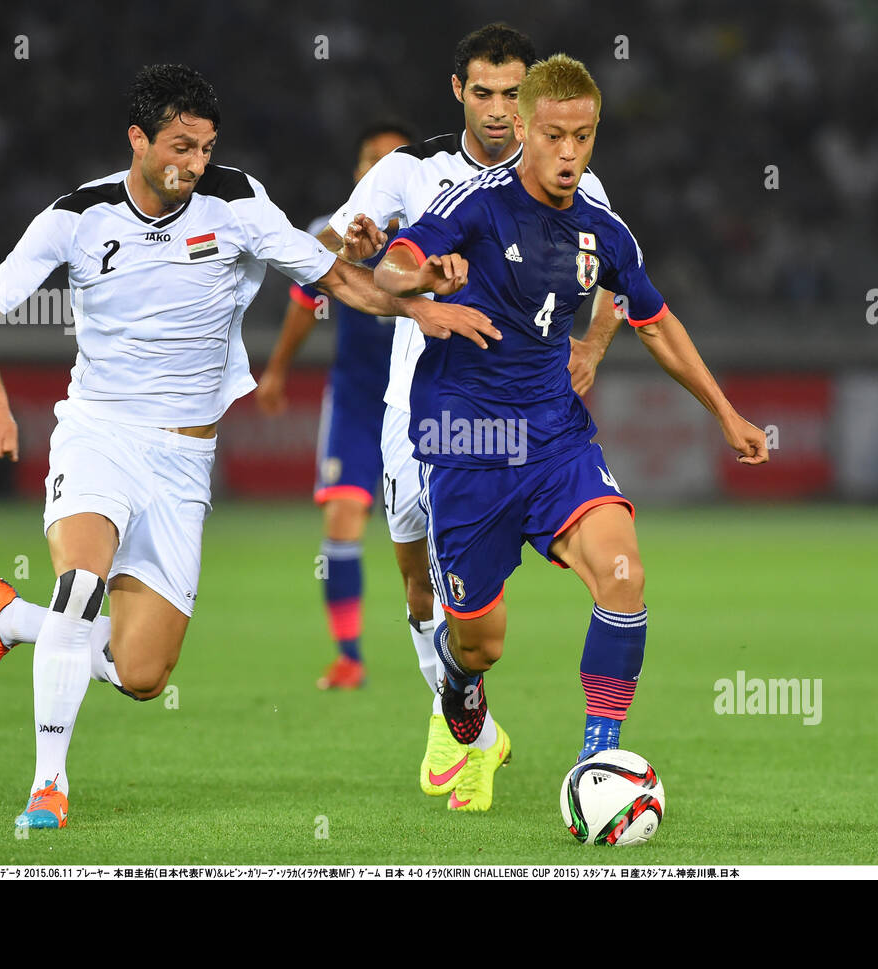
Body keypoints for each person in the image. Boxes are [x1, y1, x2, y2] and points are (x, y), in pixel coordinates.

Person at [0, 64, 495, 829]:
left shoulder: (237, 202)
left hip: (183, 462)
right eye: (180, 146)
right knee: (81, 585)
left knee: (142, 673)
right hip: (99, 433)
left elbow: (334, 277)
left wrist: (419, 305)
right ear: (138, 139)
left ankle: (10, 619)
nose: (195, 164)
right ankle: (48, 785)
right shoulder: (77, 217)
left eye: (206, 148)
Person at [374, 54, 767, 802]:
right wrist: (422, 280)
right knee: (480, 641)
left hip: (557, 439)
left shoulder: (602, 229)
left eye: (583, 137)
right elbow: (392, 266)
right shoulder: (475, 206)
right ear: (522, 126)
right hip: (468, 449)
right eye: (554, 135)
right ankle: (460, 683)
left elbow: (655, 323)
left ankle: (599, 759)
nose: (568, 154)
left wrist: (726, 413)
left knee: (624, 574)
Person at [317, 22, 625, 811]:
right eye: (482, 93)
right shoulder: (409, 170)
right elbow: (333, 248)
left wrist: (590, 347)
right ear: (459, 91)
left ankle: (458, 728)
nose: (497, 111)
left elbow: (621, 279)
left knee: (481, 596)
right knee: (420, 591)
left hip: (514, 419)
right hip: (407, 408)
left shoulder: (576, 186)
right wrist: (365, 244)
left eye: (510, 95)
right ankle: (470, 716)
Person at [256, 120, 417, 691]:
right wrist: (276, 370)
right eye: (370, 158)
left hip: (423, 402)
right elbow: (305, 302)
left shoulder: (435, 227)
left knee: (434, 535)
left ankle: (450, 652)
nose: (380, 167)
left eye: (393, 158)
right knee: (343, 519)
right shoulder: (329, 233)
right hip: (355, 400)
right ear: (356, 173)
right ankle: (349, 656)